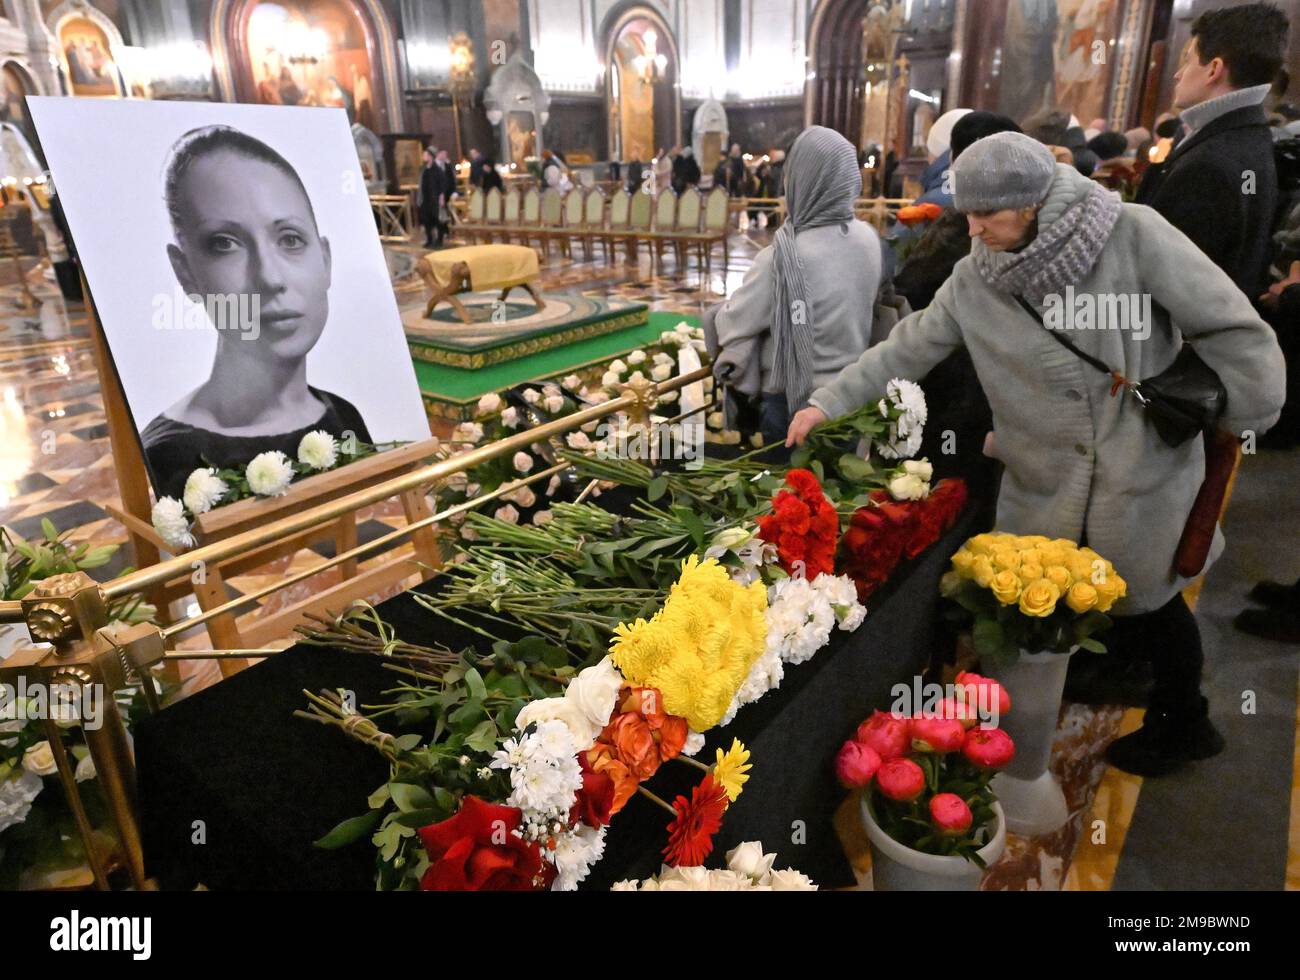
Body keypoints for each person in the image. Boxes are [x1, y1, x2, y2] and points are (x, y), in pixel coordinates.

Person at [786, 132, 1286, 777]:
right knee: (1037, 608)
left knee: (1151, 604)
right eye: (968, 214)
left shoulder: (1131, 234)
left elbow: (1227, 321)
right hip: (1043, 477)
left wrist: (1245, 416)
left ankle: (1184, 721)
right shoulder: (975, 277)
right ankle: (1022, 753)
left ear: (1034, 203)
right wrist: (828, 402)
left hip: (1138, 467)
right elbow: (908, 346)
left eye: (988, 215)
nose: (974, 230)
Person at [142, 125, 373, 501]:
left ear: (326, 260)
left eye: (290, 239)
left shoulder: (344, 418)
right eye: (225, 244)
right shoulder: (169, 457)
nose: (269, 276)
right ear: (185, 272)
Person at [707, 126, 882, 446]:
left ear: (800, 181)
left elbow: (734, 325)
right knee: (840, 492)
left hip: (793, 407)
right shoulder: (868, 239)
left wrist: (719, 312)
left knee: (793, 492)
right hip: (852, 396)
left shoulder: (782, 257)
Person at [1136, 3, 1289, 299]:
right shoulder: (1251, 138)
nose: (1178, 74)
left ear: (1214, 70)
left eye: (1189, 61)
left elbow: (1162, 284)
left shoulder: (1209, 165)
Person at [417, 148, 439, 247]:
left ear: (430, 156)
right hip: (425, 199)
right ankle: (429, 239)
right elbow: (421, 183)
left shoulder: (436, 168)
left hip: (433, 199)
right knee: (426, 221)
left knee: (434, 219)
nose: (423, 156)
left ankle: (436, 240)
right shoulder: (423, 168)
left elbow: (439, 183)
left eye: (425, 155)